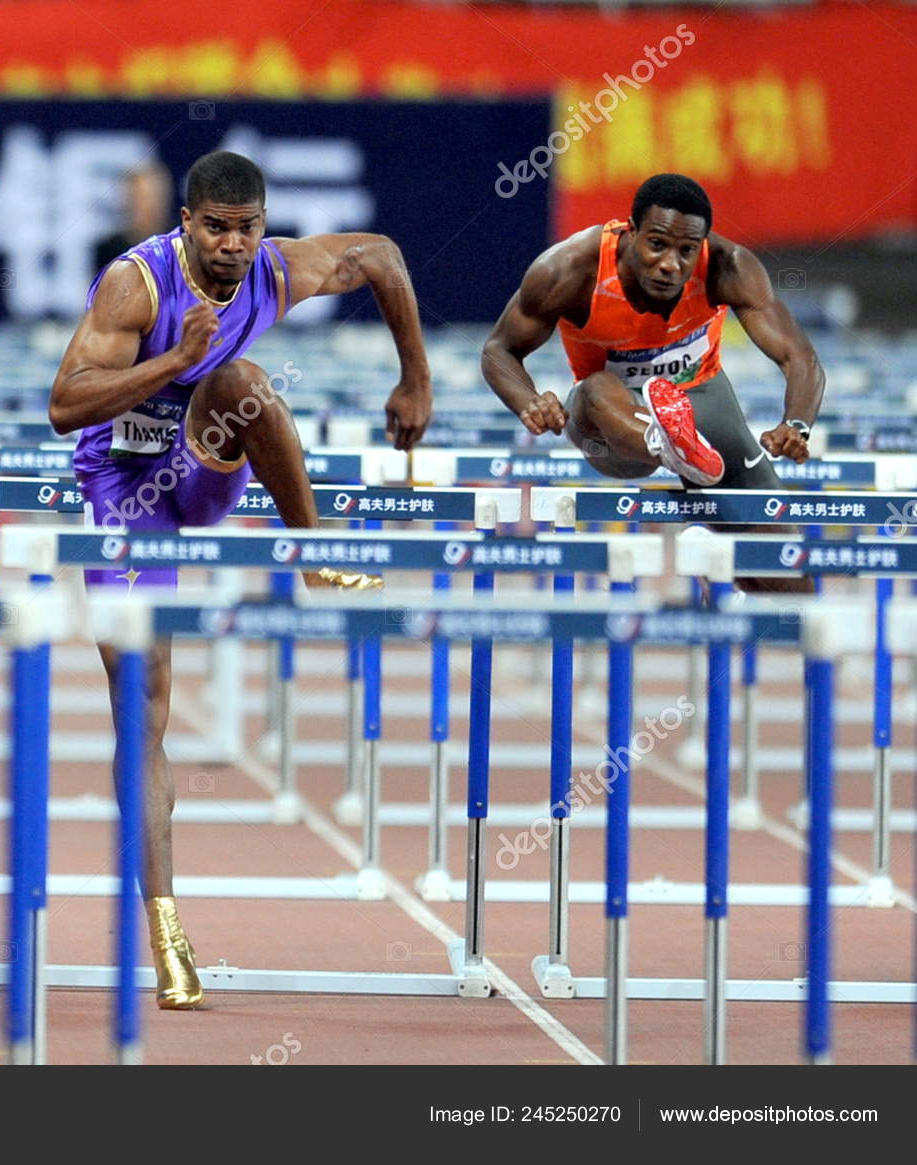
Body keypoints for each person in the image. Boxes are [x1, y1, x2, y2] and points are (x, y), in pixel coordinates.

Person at [49, 150, 433, 1009]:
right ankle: (168, 929)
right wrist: (167, 358)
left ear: (263, 226)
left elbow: (382, 257)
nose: (231, 244)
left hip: (203, 464)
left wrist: (416, 374)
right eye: (215, 228)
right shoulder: (134, 287)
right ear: (185, 224)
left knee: (243, 382)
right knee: (140, 703)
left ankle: (313, 550)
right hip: (122, 486)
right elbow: (66, 402)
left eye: (245, 228)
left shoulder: (275, 267)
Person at [480, 173, 822, 593]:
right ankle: (671, 448)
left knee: (787, 575)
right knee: (595, 389)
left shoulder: (729, 267)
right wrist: (529, 402)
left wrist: (797, 424)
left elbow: (798, 355)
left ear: (703, 245)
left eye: (686, 250)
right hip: (615, 426)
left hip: (702, 402)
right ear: (631, 230)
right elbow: (499, 349)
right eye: (657, 244)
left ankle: (716, 544)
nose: (670, 264)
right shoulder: (569, 269)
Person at [92, 160, 175, 272]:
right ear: (126, 201)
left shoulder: (186, 243)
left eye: (153, 197)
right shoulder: (108, 251)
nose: (148, 206)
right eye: (140, 198)